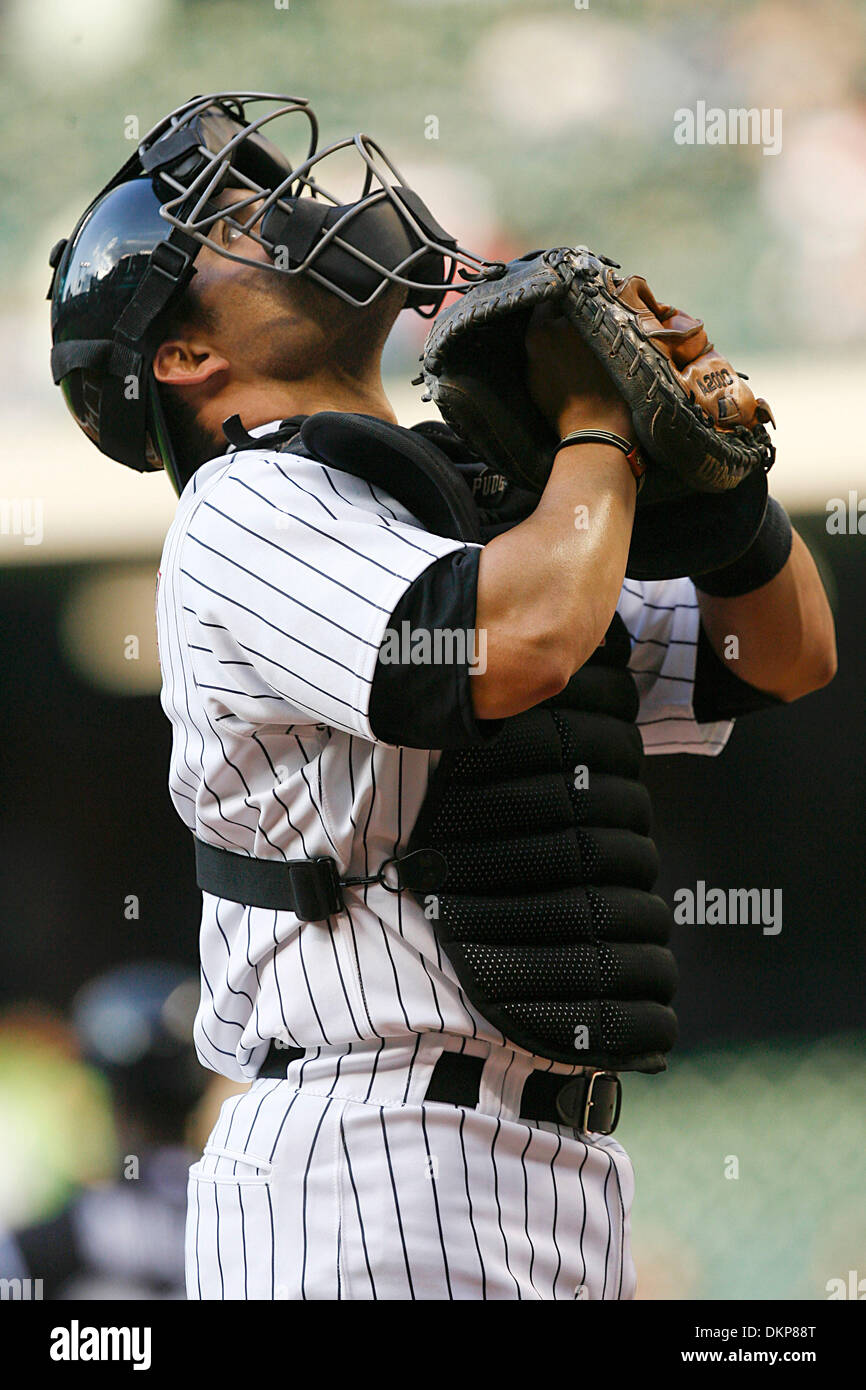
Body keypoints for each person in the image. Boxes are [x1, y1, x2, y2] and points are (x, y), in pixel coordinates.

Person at [49, 93, 836, 1300]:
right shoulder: (242, 507)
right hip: (363, 1165)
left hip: (552, 1164)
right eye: (241, 225)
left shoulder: (476, 513)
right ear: (186, 357)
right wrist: (595, 424)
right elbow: (508, 640)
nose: (293, 217)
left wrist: (720, 493)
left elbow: (780, 652)